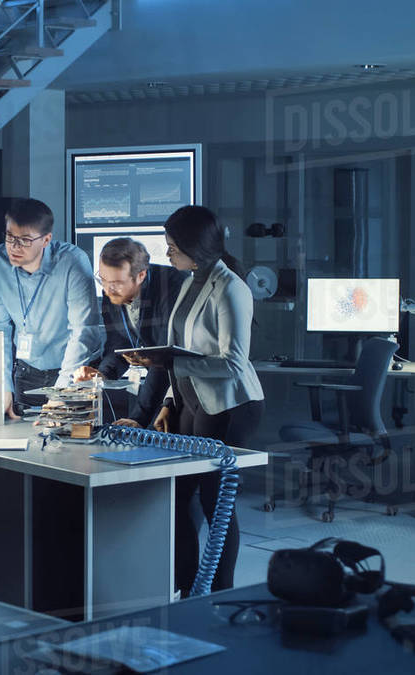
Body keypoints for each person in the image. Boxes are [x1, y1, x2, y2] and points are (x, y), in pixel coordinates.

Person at [130, 205, 264, 596]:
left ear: (194, 246)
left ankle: (221, 593)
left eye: (172, 246)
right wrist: (169, 398)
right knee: (177, 500)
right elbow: (183, 347)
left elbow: (234, 363)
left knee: (215, 505)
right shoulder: (191, 279)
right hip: (191, 402)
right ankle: (188, 589)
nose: (167, 253)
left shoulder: (231, 287)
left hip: (229, 405)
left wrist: (169, 361)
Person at [0, 198, 104, 417]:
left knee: (73, 442)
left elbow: (84, 331)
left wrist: (62, 391)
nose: (14, 247)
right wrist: (3, 386)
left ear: (46, 239)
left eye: (25, 240)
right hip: (27, 373)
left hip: (74, 370)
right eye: (10, 237)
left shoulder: (72, 261)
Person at [72, 237, 185, 428]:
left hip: (190, 390)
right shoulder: (113, 290)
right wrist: (102, 374)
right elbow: (118, 343)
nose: (107, 290)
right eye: (103, 280)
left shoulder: (173, 286)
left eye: (115, 283)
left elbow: (162, 357)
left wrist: (138, 417)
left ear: (141, 275)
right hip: (161, 387)